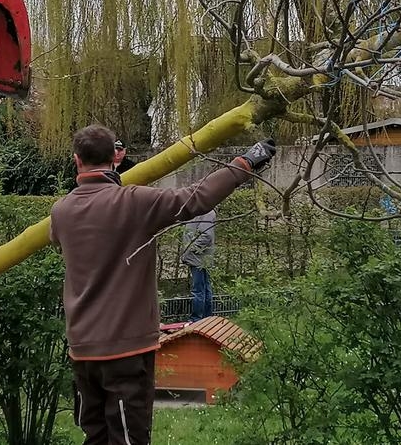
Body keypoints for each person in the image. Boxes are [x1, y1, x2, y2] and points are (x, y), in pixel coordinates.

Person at [51, 124, 275, 445]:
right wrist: (246, 162)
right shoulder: (134, 202)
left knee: (95, 435)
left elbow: (62, 242)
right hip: (126, 350)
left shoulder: (60, 212)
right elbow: (196, 198)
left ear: (76, 160)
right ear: (115, 158)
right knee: (128, 438)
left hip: (83, 351)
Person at [180, 209, 216, 322]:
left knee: (199, 290)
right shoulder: (200, 211)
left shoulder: (206, 212)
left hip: (199, 259)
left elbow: (206, 236)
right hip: (199, 258)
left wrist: (190, 249)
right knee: (204, 288)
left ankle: (197, 319)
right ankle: (206, 318)